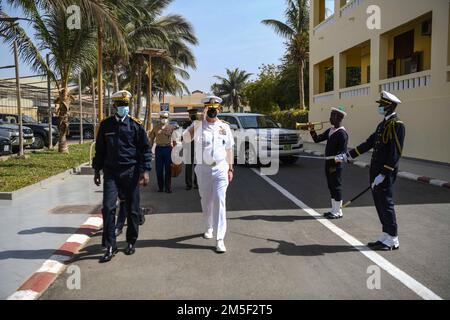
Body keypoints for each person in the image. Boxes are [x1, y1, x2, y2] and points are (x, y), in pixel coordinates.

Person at [336, 91, 405, 251]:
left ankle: (393, 239)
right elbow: (369, 143)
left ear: (391, 106)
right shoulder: (383, 125)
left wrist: (384, 173)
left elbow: (396, 152)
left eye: (382, 105)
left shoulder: (398, 125)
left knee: (386, 203)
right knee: (379, 203)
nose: (380, 107)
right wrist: (348, 155)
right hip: (376, 172)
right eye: (380, 104)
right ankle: (386, 235)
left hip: (384, 174)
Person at [93, 90, 152, 263]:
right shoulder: (105, 125)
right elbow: (100, 151)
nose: (123, 108)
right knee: (108, 207)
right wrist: (97, 170)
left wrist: (145, 171)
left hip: (131, 172)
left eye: (125, 105)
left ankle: (131, 241)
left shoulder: (136, 125)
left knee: (133, 209)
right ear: (114, 106)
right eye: (120, 105)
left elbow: (145, 150)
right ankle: (111, 245)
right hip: (111, 173)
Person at [183, 96, 234, 253]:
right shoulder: (198, 125)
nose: (212, 111)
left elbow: (229, 148)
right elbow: (185, 138)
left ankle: (220, 238)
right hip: (203, 169)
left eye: (215, 108)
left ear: (219, 109)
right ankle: (209, 226)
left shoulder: (225, 127)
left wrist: (230, 168)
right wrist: (199, 120)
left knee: (220, 201)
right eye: (209, 108)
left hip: (220, 169)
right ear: (205, 109)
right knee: (206, 201)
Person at [310, 106, 348, 219]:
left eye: (332, 115)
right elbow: (317, 139)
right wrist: (312, 130)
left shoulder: (342, 134)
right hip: (329, 163)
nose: (330, 118)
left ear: (338, 117)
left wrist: (334, 161)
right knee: (331, 186)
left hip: (335, 165)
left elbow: (343, 153)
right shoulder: (331, 130)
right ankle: (333, 210)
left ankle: (338, 211)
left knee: (336, 186)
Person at [149, 111, 177, 193]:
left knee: (168, 169)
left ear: (167, 119)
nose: (164, 119)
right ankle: (160, 187)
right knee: (159, 169)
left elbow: (174, 141)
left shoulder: (171, 128)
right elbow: (151, 138)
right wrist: (149, 149)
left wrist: (175, 152)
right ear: (160, 118)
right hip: (159, 149)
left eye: (165, 118)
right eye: (162, 118)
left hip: (168, 149)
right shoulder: (156, 127)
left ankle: (168, 188)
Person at [183, 108, 199, 190]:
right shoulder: (186, 124)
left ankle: (197, 183)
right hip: (189, 147)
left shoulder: (200, 124)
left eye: (194, 114)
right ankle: (189, 184)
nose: (193, 116)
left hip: (198, 147)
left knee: (198, 167)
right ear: (189, 115)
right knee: (188, 167)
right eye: (191, 114)